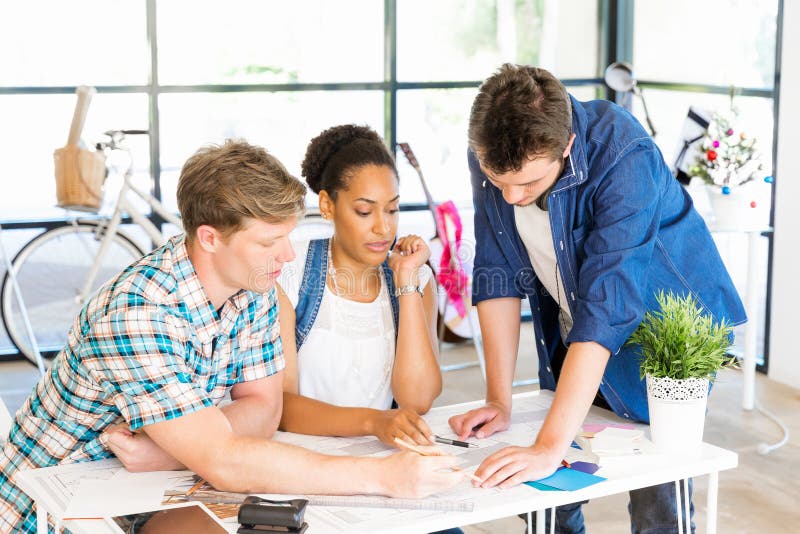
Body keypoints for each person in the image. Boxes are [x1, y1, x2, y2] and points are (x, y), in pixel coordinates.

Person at [0, 140, 463, 533]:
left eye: (287, 237)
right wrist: (384, 476)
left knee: (284, 519)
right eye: (267, 242)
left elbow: (265, 411)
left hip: (148, 490)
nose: (285, 255)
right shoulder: (137, 312)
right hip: (55, 511)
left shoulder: (254, 284)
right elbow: (224, 459)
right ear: (209, 238)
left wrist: (171, 452)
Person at [448, 64, 746, 533]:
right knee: (548, 487)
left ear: (565, 146)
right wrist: (498, 400)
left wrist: (546, 447)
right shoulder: (493, 150)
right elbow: (497, 269)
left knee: (655, 490)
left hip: (667, 331)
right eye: (497, 179)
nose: (509, 197)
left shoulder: (623, 152)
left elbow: (608, 306)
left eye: (527, 184)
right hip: (575, 315)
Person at [277, 124, 442, 447]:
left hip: (385, 463)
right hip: (305, 459)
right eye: (365, 211)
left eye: (393, 210)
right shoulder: (289, 276)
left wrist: (407, 284)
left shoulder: (417, 278)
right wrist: (373, 422)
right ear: (327, 205)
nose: (384, 227)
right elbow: (280, 407)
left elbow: (418, 401)